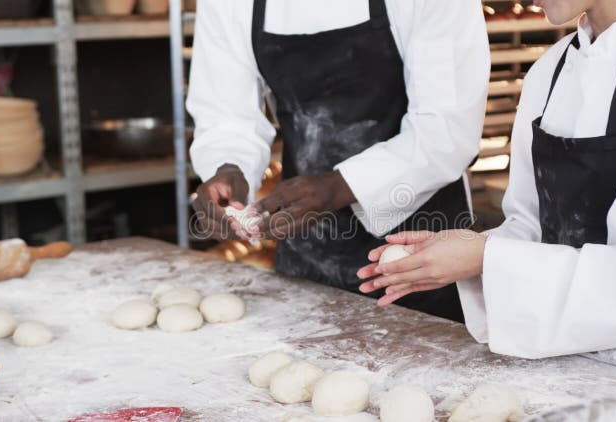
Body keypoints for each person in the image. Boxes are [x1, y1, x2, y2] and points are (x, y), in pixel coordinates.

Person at [358, 0, 616, 386]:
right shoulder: (551, 71)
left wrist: (486, 257)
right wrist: (470, 252)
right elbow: (531, 225)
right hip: (562, 365)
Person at [186, 0, 490, 321]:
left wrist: (339, 187)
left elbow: (446, 128)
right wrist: (229, 166)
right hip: (305, 251)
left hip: (423, 255)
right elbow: (227, 117)